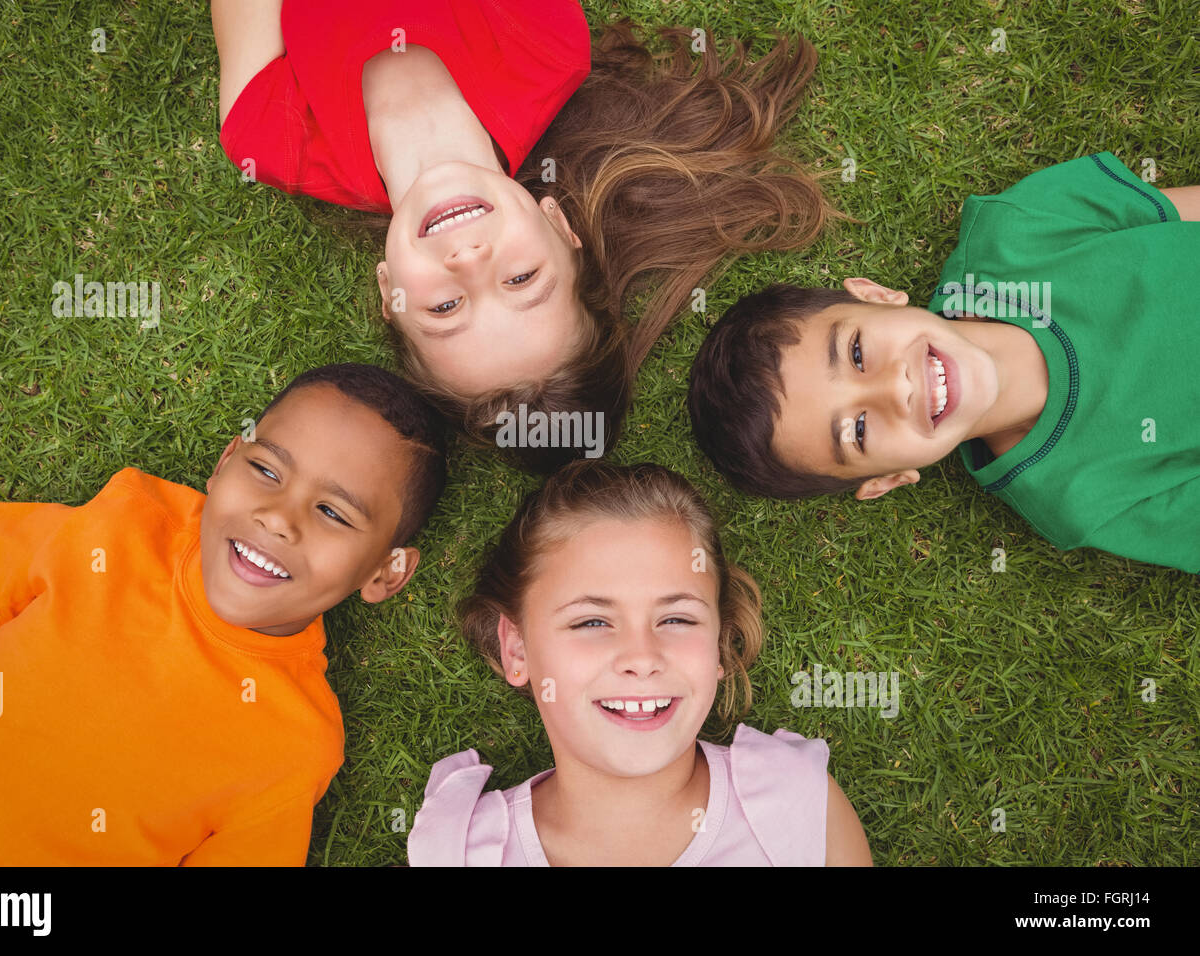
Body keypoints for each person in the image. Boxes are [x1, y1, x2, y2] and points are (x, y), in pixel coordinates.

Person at [212, 0, 833, 471]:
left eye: (446, 306)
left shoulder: (271, 141)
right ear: (560, 225)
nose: (469, 259)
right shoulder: (546, 48)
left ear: (388, 291)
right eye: (520, 279)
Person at [0, 363, 447, 864]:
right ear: (225, 462)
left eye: (332, 511)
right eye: (266, 470)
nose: (278, 518)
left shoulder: (296, 745)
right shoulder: (125, 529)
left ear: (386, 572)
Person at [687, 153, 1200, 573]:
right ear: (887, 479)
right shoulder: (1080, 499)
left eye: (857, 353)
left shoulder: (1021, 229)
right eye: (858, 431)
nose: (895, 390)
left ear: (877, 294)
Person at [407, 461, 872, 865]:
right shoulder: (460, 852)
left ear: (718, 645)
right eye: (591, 622)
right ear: (517, 650)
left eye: (676, 618)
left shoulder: (798, 806)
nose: (642, 658)